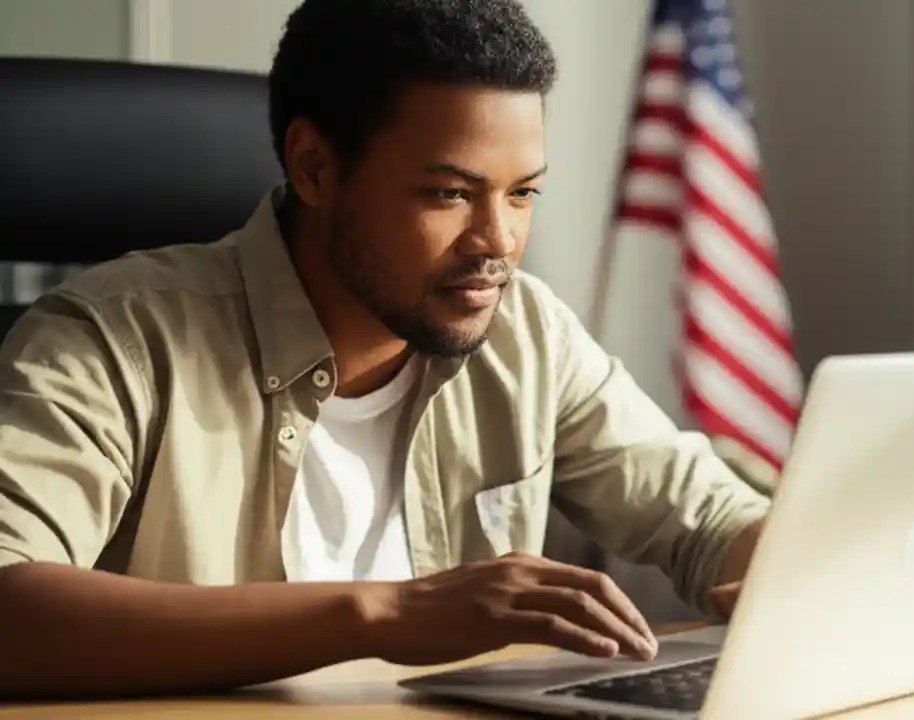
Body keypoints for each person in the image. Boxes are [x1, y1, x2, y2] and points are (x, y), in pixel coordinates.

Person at [0, 0, 770, 700]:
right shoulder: (114, 337)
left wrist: (798, 559)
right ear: (315, 168)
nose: (498, 241)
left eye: (522, 192)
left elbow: (708, 519)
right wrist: (383, 613)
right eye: (449, 194)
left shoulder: (524, 331)